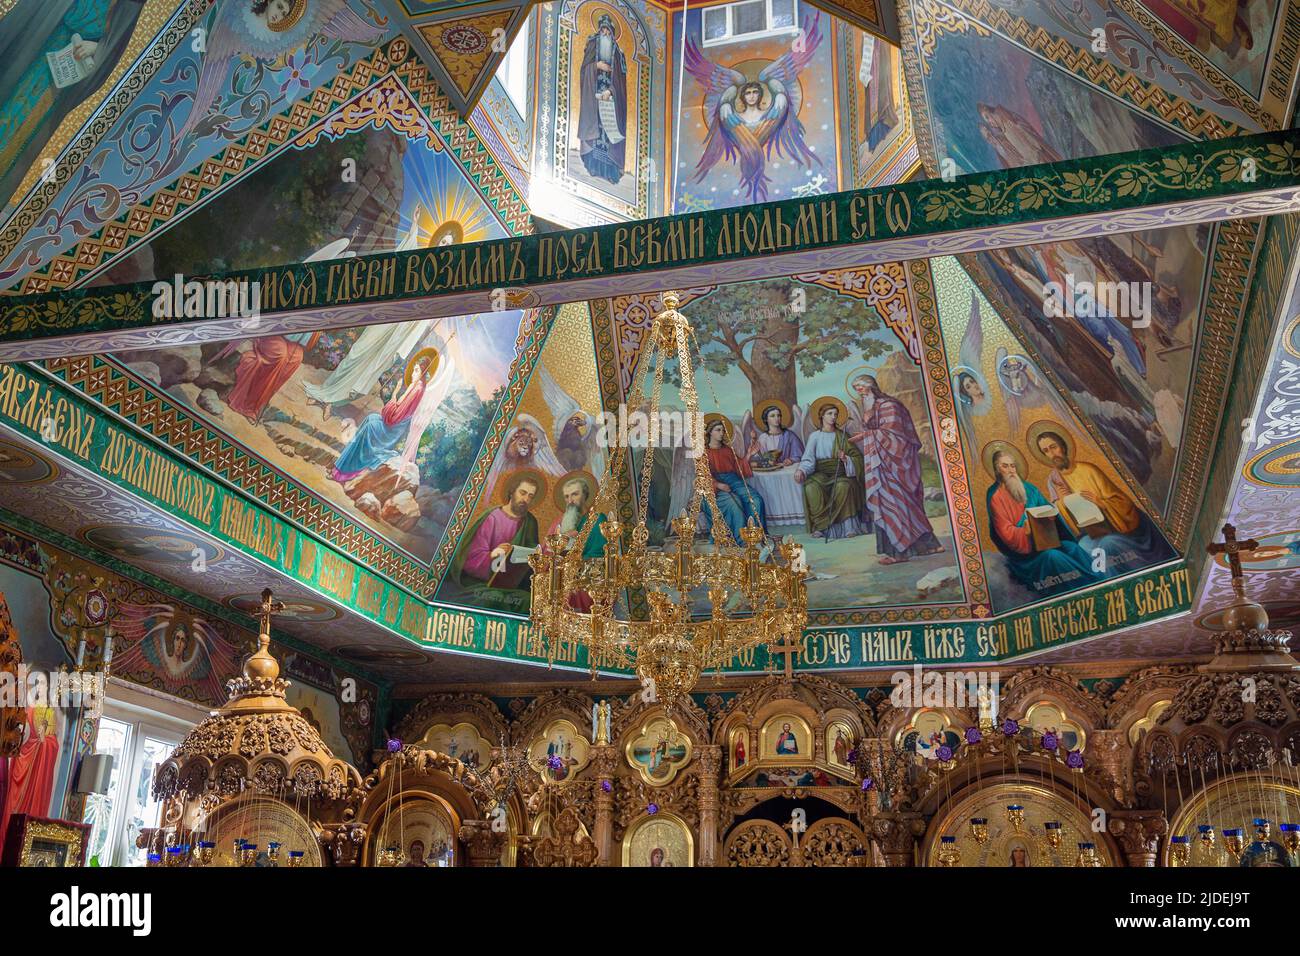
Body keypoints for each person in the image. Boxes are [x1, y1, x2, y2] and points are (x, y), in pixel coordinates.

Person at [1032, 427, 1170, 574]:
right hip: (1089, 534)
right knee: (1084, 546)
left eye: (1053, 447)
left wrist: (1102, 503)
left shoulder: (1088, 470)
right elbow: (1064, 522)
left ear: (1063, 446)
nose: (1052, 454)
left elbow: (1123, 503)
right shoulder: (1054, 480)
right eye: (1046, 451)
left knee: (1108, 544)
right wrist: (1062, 503)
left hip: (1118, 527)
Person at [847, 374, 944, 564]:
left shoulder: (888, 405)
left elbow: (894, 433)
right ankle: (928, 545)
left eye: (860, 386)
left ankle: (899, 553)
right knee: (892, 505)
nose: (858, 391)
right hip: (880, 464)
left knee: (897, 505)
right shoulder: (870, 406)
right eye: (855, 388)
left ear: (871, 386)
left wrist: (866, 436)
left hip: (895, 464)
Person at [985, 446, 1101, 598]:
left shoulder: (1029, 489)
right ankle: (1084, 592)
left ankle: (1098, 580)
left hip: (1046, 540)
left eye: (1012, 465)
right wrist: (1024, 530)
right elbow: (1004, 532)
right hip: (1025, 555)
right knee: (1053, 556)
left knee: (1071, 547)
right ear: (997, 469)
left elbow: (1047, 508)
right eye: (1005, 466)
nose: (1011, 470)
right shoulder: (995, 497)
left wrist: (1051, 516)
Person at [328, 352, 434, 483]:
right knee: (370, 418)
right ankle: (339, 467)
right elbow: (396, 410)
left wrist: (395, 391)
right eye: (413, 370)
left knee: (369, 426)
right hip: (392, 425)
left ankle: (344, 472)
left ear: (423, 371)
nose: (413, 374)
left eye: (416, 370)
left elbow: (393, 417)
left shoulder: (417, 389)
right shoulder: (417, 386)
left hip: (391, 430)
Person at [450, 471, 543, 590]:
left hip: (512, 582)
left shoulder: (530, 522)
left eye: (530, 496)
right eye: (523, 493)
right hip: (483, 579)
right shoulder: (492, 518)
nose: (525, 499)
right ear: (512, 492)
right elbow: (471, 557)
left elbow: (533, 553)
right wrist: (493, 554)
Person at [795, 400, 866, 539]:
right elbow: (808, 458)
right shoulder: (814, 437)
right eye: (830, 413)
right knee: (811, 487)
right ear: (822, 416)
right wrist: (801, 470)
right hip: (820, 473)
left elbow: (857, 458)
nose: (833, 416)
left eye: (835, 413)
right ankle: (821, 527)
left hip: (841, 473)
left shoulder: (843, 436)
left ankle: (848, 528)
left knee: (843, 486)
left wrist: (846, 459)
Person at [577, 13, 627, 184]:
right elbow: (584, 71)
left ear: (612, 33)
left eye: (608, 30)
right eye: (603, 29)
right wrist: (596, 66)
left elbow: (621, 83)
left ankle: (609, 171)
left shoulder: (618, 54)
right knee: (596, 129)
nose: (605, 33)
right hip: (594, 97)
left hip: (610, 101)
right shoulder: (593, 44)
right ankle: (593, 165)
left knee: (608, 132)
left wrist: (611, 91)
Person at [699, 417, 767, 543]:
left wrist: (749, 455)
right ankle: (740, 542)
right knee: (734, 506)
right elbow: (703, 476)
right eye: (718, 430)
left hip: (734, 480)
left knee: (756, 500)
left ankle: (757, 538)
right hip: (716, 486)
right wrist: (718, 485)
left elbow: (738, 467)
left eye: (723, 430)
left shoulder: (727, 450)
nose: (722, 433)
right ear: (710, 432)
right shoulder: (704, 453)